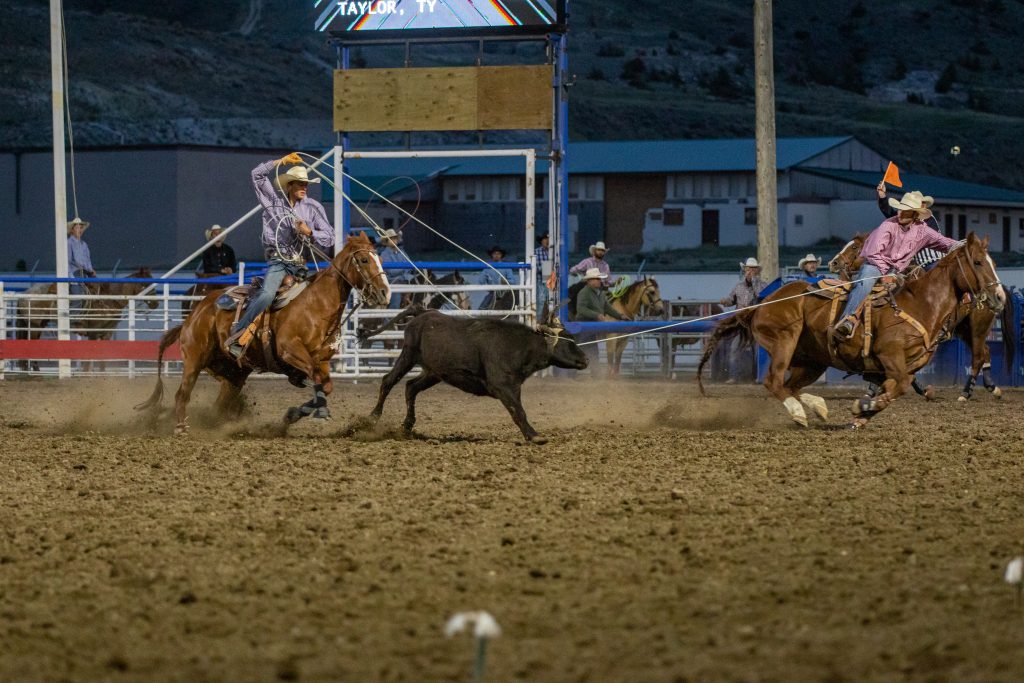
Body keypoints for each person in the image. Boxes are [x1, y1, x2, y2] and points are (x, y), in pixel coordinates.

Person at [226, 152, 335, 358]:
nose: (304, 187)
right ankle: (239, 333)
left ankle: (321, 341)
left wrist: (310, 232)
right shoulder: (273, 203)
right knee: (267, 294)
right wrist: (280, 162)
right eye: (299, 183)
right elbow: (257, 175)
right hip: (279, 261)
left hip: (301, 263)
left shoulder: (313, 207)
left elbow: (330, 237)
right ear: (289, 185)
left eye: (306, 184)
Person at [832, 191, 959, 339]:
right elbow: (874, 253)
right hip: (876, 265)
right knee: (865, 282)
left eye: (905, 211)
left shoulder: (923, 231)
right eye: (900, 209)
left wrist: (964, 245)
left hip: (898, 270)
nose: (900, 213)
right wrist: (886, 273)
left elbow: (944, 242)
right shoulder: (888, 225)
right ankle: (848, 319)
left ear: (915, 215)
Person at [574, 266, 631, 373]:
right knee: (587, 350)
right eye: (597, 278)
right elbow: (581, 309)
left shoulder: (599, 293)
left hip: (591, 327)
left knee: (589, 350)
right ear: (589, 281)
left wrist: (620, 316)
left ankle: (593, 374)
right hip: (584, 326)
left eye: (599, 279)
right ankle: (593, 374)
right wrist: (596, 315)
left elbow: (607, 307)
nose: (599, 281)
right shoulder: (584, 293)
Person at [719, 257, 766, 383]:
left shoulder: (763, 286)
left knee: (758, 351)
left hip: (756, 323)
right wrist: (725, 301)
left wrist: (754, 282)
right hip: (741, 323)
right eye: (748, 268)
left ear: (757, 271)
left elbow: (761, 296)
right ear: (744, 270)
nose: (750, 271)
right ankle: (734, 376)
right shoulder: (738, 286)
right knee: (735, 348)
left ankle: (757, 377)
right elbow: (731, 300)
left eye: (753, 268)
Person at [876, 184, 944, 266]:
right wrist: (882, 195)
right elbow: (890, 212)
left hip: (934, 261)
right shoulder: (907, 218)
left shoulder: (928, 219)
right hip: (920, 264)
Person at [67, 217, 96, 316]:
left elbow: (88, 260)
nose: (80, 230)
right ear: (72, 230)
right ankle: (73, 320)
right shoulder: (69, 243)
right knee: (78, 297)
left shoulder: (84, 245)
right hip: (75, 273)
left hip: (85, 274)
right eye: (77, 227)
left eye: (81, 228)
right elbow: (67, 261)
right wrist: (71, 278)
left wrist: (91, 270)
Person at [377, 229, 410, 309]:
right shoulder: (384, 254)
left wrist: (405, 268)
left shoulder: (401, 252)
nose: (394, 240)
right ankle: (390, 319)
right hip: (393, 282)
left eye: (395, 238)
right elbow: (391, 272)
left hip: (405, 280)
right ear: (387, 241)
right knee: (395, 302)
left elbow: (410, 264)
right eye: (392, 238)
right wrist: (404, 268)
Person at [480, 245, 518, 310]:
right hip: (493, 293)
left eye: (498, 254)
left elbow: (513, 281)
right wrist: (489, 287)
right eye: (494, 254)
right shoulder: (487, 268)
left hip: (506, 294)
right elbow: (481, 281)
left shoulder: (506, 267)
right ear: (491, 255)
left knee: (517, 305)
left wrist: (505, 282)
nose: (496, 255)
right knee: (482, 307)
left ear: (501, 255)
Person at [534, 233, 552, 316]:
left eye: (549, 239)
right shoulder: (536, 252)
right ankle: (538, 321)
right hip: (541, 281)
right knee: (541, 301)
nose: (547, 240)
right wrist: (548, 267)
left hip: (553, 281)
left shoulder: (555, 252)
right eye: (545, 238)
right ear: (541, 241)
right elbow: (535, 268)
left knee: (553, 301)